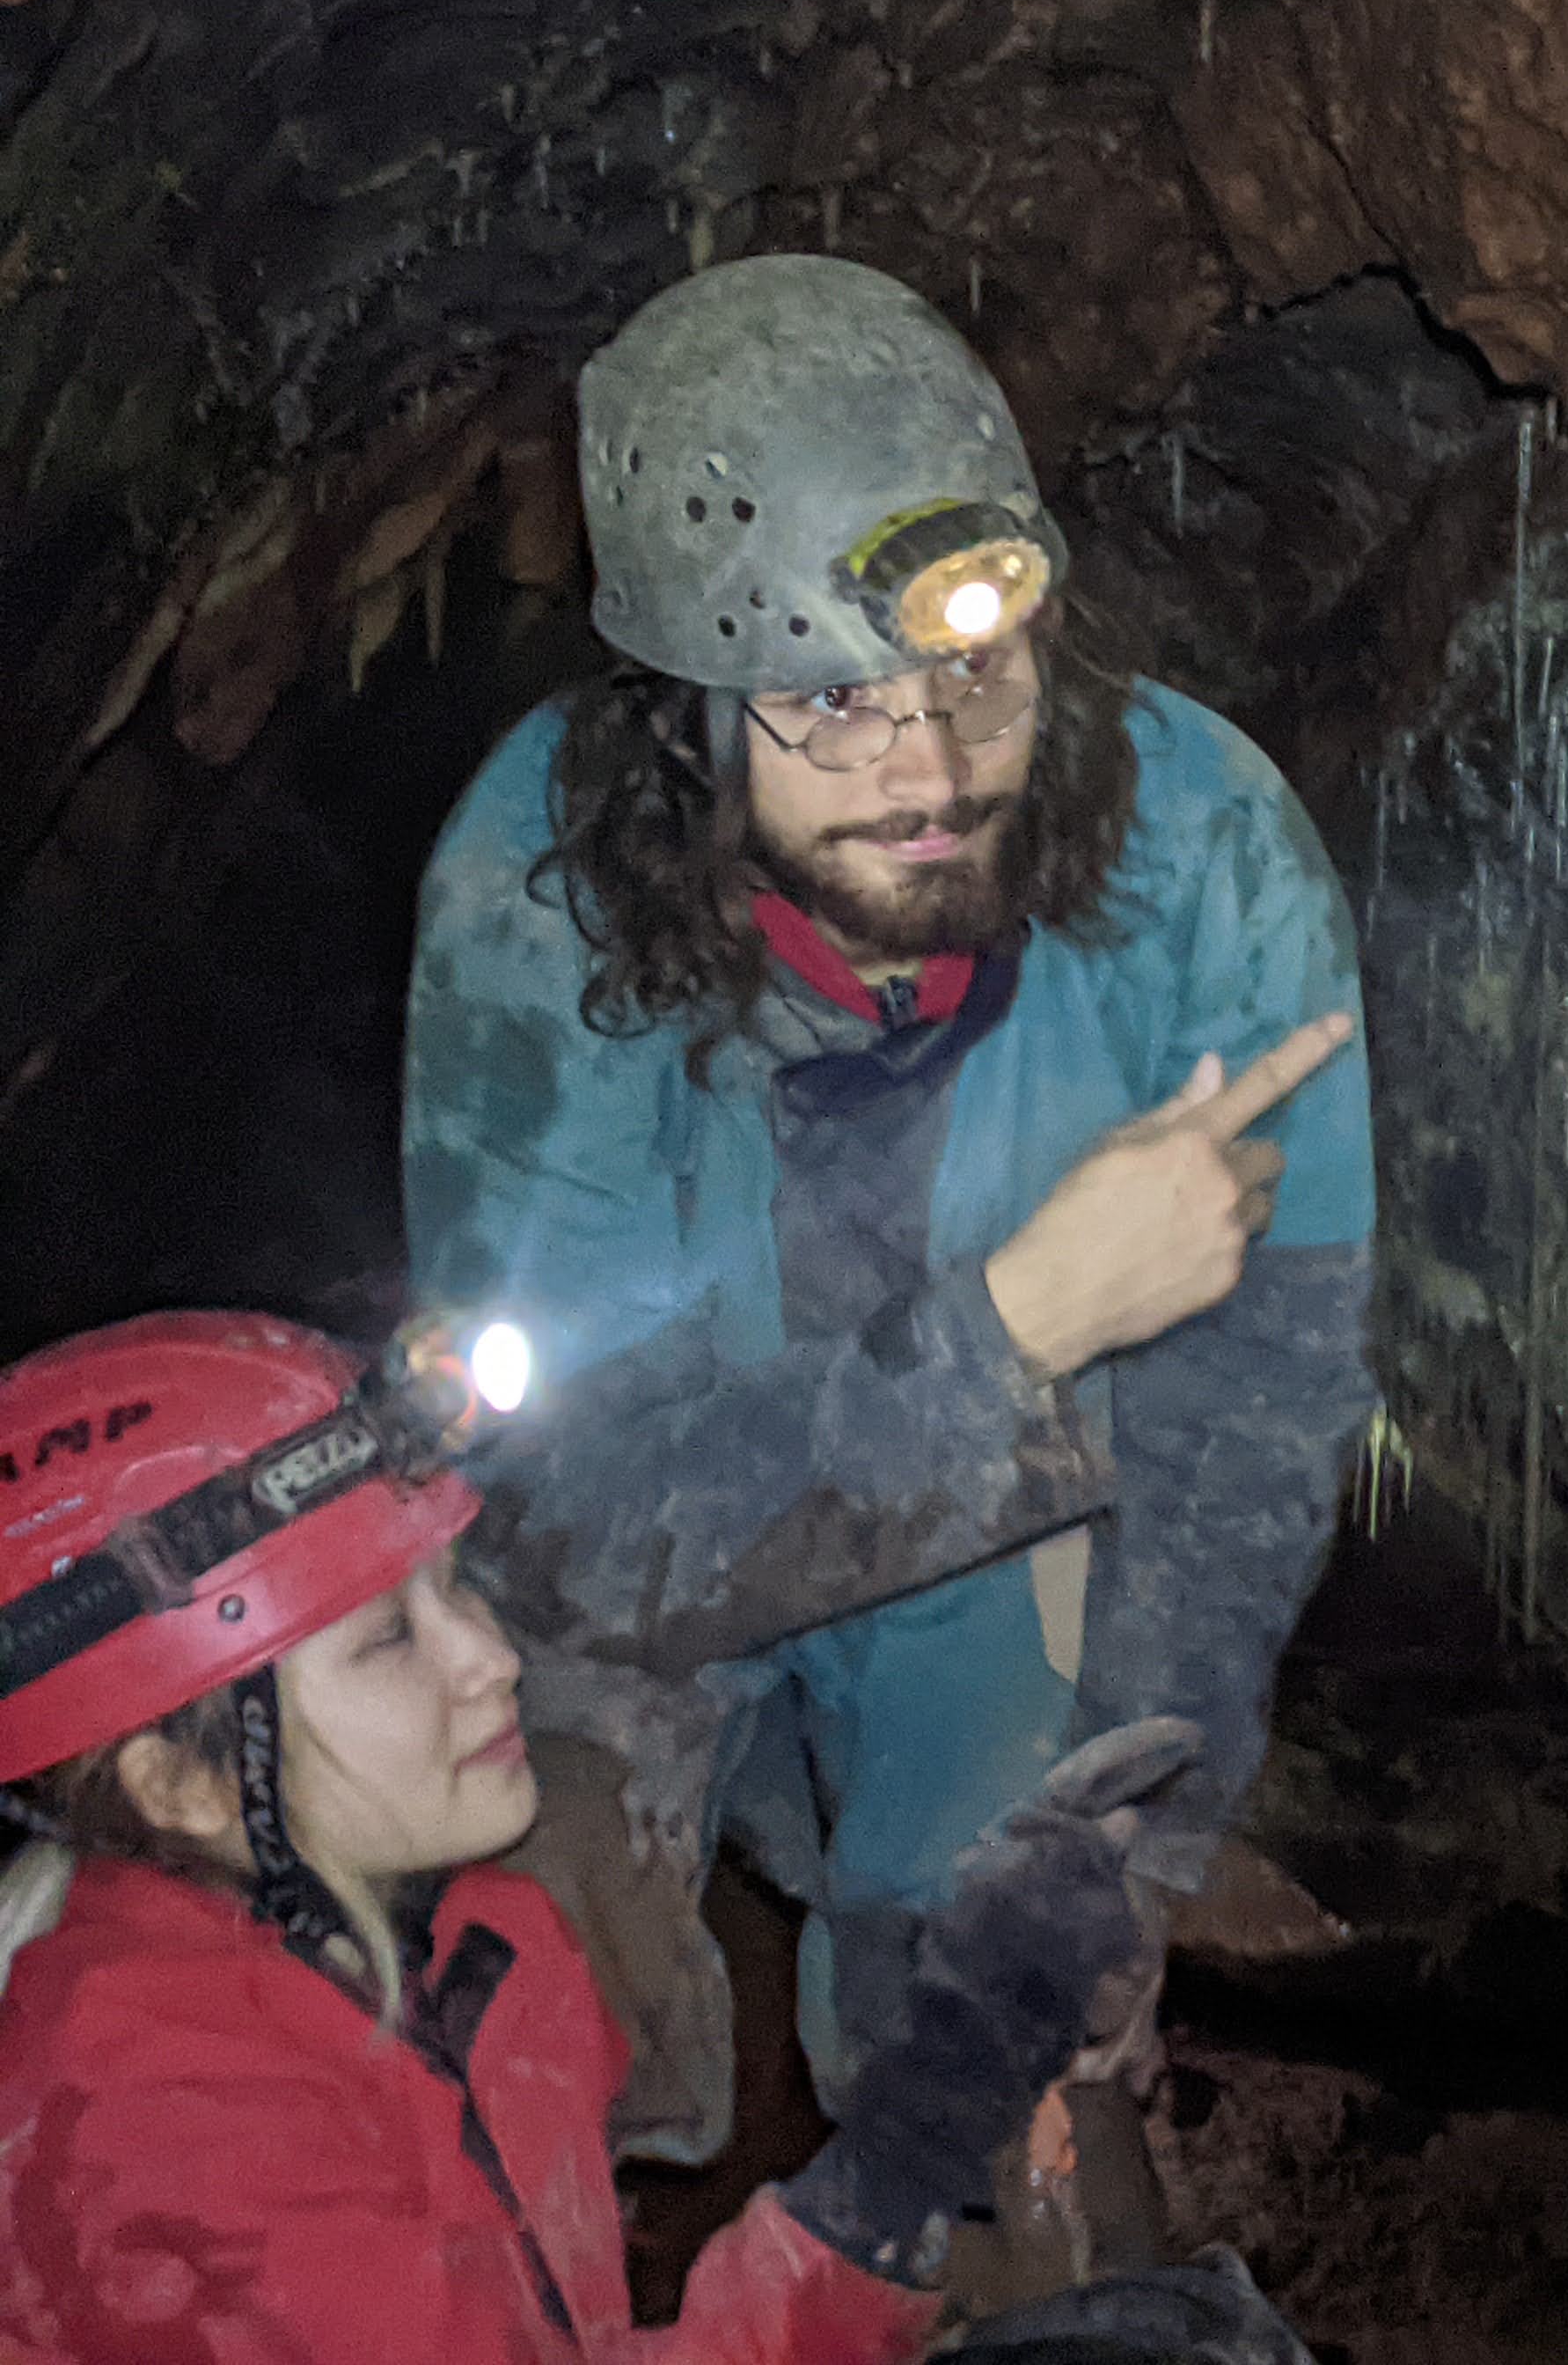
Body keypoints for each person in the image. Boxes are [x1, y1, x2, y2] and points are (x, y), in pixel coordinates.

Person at [400, 255, 1377, 2163]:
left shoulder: (1199, 847)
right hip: (651, 1537)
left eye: (971, 674)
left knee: (1014, 2066)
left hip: (998, 1542)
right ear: (688, 721)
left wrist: (1142, 1832)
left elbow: (1260, 1410)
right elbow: (565, 1517)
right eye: (832, 706)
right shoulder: (537, 902)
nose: (926, 771)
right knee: (505, 1967)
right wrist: (1010, 1330)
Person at [0, 1307, 1295, 2364]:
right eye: (390, 1640)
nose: (492, 1660)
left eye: (455, 1590)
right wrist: (910, 2139)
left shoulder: (466, 1950)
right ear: (178, 1783)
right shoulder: (165, 2133)